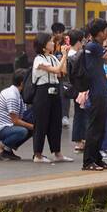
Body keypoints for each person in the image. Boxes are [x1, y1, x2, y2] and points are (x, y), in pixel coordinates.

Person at [79, 19, 107, 170]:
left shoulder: (94, 46)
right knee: (95, 128)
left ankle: (97, 159)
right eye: (106, 30)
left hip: (102, 90)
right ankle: (88, 161)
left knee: (101, 127)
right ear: (100, 32)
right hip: (97, 92)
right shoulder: (93, 46)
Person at [29, 32, 71, 163]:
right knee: (41, 124)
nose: (53, 43)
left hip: (54, 91)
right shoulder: (38, 59)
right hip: (42, 93)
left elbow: (63, 70)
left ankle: (57, 153)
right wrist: (64, 55)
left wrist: (65, 56)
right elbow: (56, 70)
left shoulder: (52, 57)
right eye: (50, 42)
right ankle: (38, 154)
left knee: (55, 123)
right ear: (43, 46)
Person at [0, 70, 34, 159]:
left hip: (7, 124)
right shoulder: (12, 95)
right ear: (22, 83)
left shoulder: (17, 93)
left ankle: (7, 150)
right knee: (23, 131)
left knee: (33, 117)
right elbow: (15, 121)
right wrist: (33, 126)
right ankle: (0, 147)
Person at [65, 28, 88, 152]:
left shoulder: (69, 54)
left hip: (75, 88)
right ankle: (79, 142)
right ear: (79, 41)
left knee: (80, 113)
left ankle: (81, 140)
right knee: (80, 114)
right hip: (79, 89)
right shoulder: (76, 55)